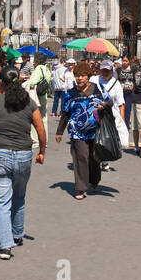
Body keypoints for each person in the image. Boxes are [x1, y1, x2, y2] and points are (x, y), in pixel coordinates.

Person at [0, 66, 47, 258]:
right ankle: (16, 234)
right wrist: (42, 151)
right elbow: (40, 128)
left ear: (0, 82)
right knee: (19, 196)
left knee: (2, 201)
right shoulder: (29, 103)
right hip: (23, 155)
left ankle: (5, 245)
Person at [56, 61, 107, 198]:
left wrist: (104, 106)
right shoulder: (71, 93)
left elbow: (109, 102)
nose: (79, 78)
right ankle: (81, 188)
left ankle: (94, 180)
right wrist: (59, 132)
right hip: (76, 131)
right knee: (81, 157)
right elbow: (65, 112)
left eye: (83, 75)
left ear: (88, 77)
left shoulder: (97, 89)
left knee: (93, 158)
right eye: (77, 75)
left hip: (95, 131)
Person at [95, 60, 128, 169]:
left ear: (111, 71)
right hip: (94, 113)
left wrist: (122, 120)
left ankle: (104, 158)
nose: (105, 73)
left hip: (109, 115)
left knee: (105, 136)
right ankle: (96, 158)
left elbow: (121, 103)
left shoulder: (116, 83)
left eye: (107, 71)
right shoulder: (94, 80)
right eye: (103, 70)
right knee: (95, 136)